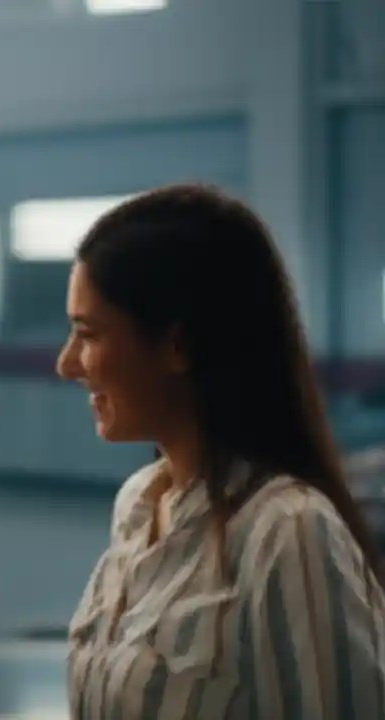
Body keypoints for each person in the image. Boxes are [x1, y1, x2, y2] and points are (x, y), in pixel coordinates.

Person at [57, 183, 385, 718]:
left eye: (88, 335)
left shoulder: (288, 530)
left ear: (176, 346)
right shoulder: (139, 504)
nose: (67, 364)